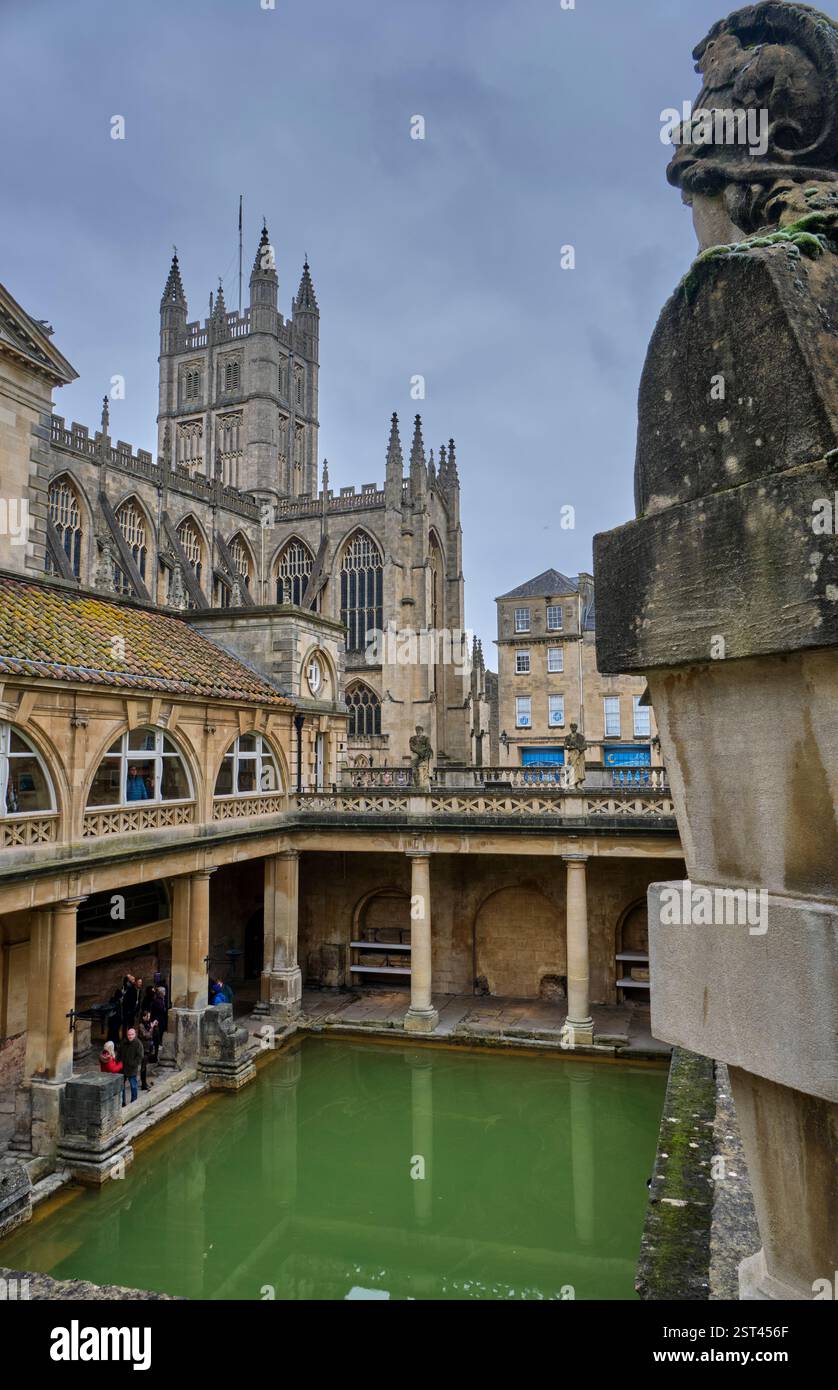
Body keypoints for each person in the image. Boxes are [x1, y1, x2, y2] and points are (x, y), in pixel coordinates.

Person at [120, 1027, 144, 1105]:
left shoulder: (138, 1044)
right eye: (129, 1034)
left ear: (135, 1035)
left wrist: (133, 1063)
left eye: (132, 1034)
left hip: (132, 1069)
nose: (130, 1036)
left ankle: (134, 1102)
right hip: (123, 1068)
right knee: (121, 1086)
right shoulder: (124, 1042)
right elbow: (119, 1053)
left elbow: (140, 1057)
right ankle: (122, 1102)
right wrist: (118, 1062)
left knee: (133, 1086)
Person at [137, 1012, 157, 1090]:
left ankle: (144, 1083)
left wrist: (154, 1026)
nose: (149, 1018)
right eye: (148, 1016)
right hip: (144, 1049)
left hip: (148, 1048)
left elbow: (152, 1034)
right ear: (143, 1017)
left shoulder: (147, 1024)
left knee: (145, 1066)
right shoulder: (141, 1025)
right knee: (143, 1067)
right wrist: (151, 1028)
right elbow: (146, 1035)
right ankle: (143, 1084)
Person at [150, 986, 168, 1060]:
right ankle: (155, 1055)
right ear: (160, 993)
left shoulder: (162, 999)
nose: (165, 993)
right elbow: (160, 1011)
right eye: (164, 991)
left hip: (161, 1021)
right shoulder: (157, 1001)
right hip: (157, 1022)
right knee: (156, 1038)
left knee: (158, 1037)